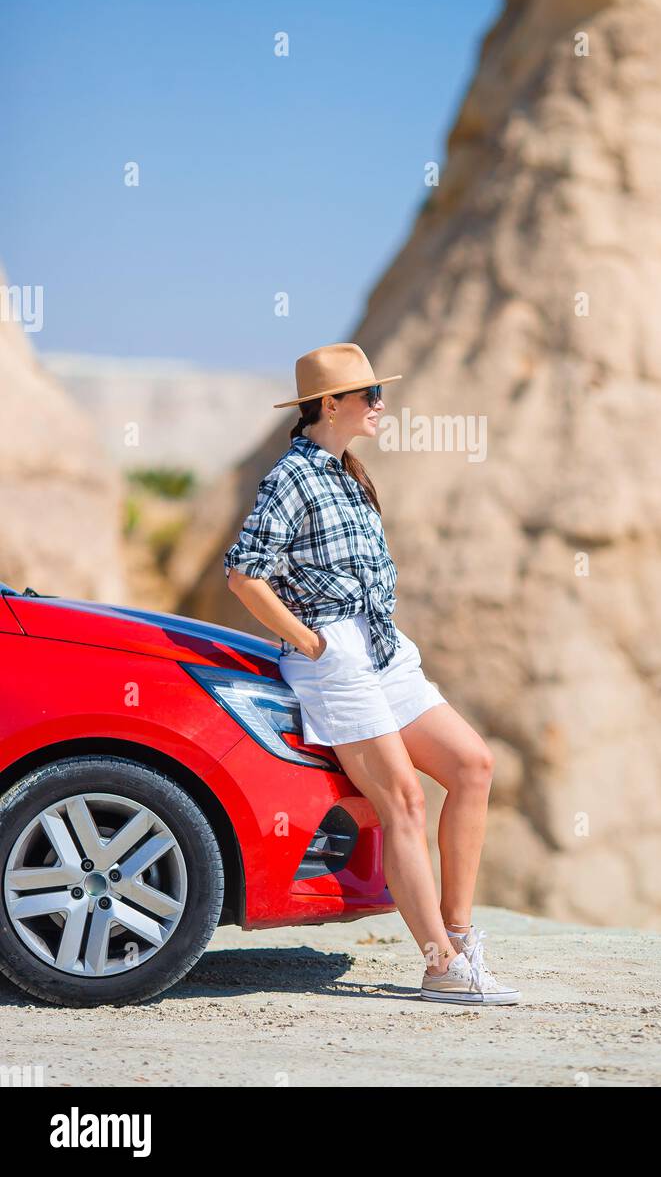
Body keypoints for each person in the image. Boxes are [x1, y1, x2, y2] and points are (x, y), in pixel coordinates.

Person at [224, 342, 520, 1005]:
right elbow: (245, 572)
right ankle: (439, 964)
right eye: (369, 395)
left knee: (473, 766)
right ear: (331, 405)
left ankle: (462, 934)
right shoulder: (291, 477)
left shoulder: (346, 471)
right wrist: (310, 642)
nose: (381, 405)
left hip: (386, 650)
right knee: (405, 801)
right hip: (337, 661)